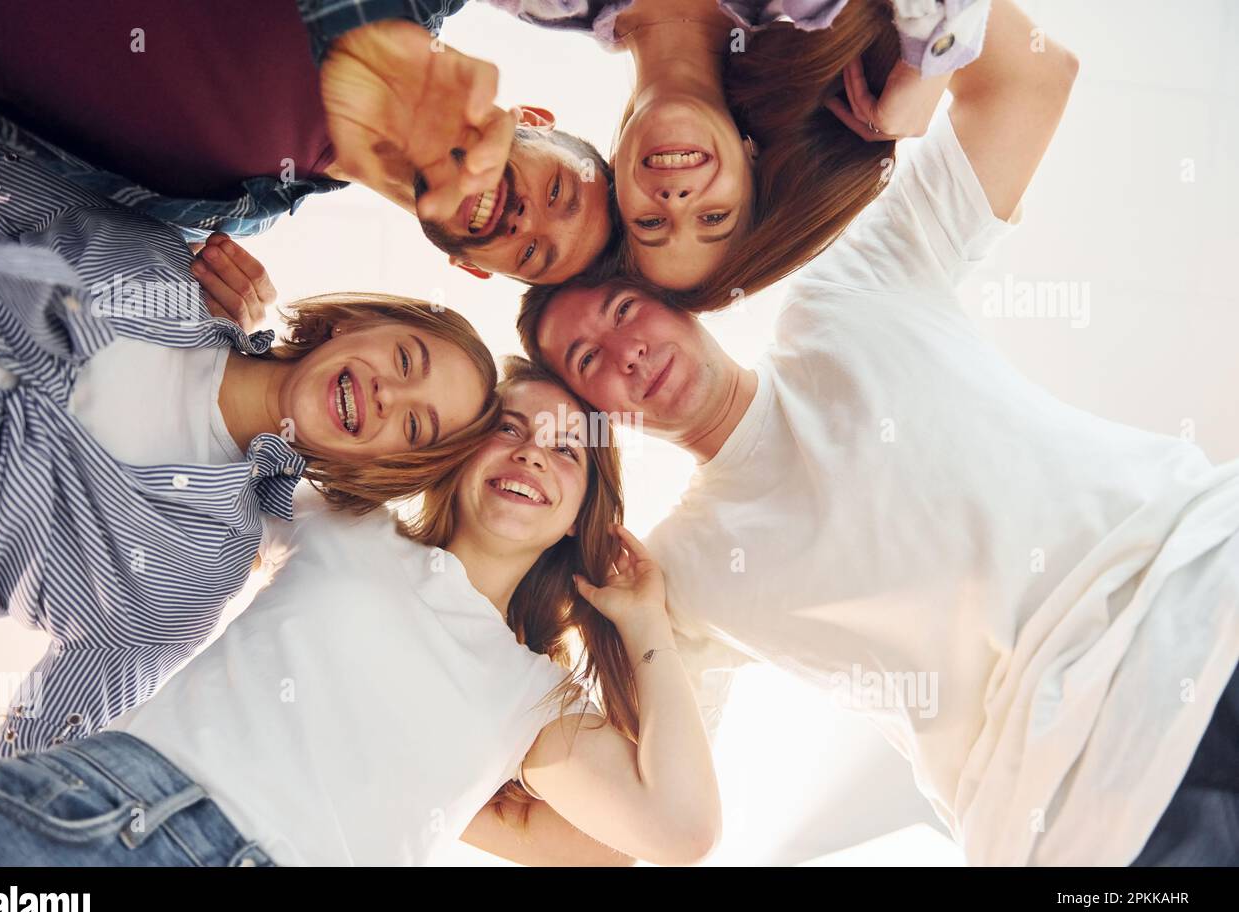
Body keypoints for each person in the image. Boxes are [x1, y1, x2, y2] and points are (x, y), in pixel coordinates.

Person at [512, 1, 1239, 866]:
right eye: (588, 360)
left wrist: (927, 63)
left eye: (625, 309)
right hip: (1078, 814)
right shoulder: (676, 577)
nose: (625, 353)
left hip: (1207, 588)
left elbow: (1036, 76)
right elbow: (646, 831)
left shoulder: (851, 287)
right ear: (600, 419)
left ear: (682, 297)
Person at [0, 359, 721, 867]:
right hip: (102, 808)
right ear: (462, 452)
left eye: (564, 451)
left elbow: (675, 832)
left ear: (585, 505)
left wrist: (645, 622)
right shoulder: (348, 520)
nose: (529, 454)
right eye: (507, 429)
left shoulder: (532, 699)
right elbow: (194, 454)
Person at [0, 73, 501, 763]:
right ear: (358, 324)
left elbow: (36, 764)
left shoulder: (195, 578)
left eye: (417, 428)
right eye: (408, 360)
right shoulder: (163, 260)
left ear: (381, 469)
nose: (391, 396)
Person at [0, 1, 620, 284]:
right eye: (556, 190)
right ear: (531, 117)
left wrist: (212, 328)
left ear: (476, 269)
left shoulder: (218, 216)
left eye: (532, 253)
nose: (524, 218)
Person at [487, 0, 989, 306]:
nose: (677, 200)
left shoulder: (546, 4)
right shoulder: (802, 8)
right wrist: (928, 63)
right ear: (751, 161)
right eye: (713, 216)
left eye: (651, 224)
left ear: (614, 178)